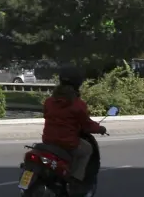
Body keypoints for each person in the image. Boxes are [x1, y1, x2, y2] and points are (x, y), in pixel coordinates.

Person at [41, 66, 106, 196]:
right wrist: (100, 128)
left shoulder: (49, 101)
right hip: (68, 143)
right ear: (78, 83)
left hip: (48, 142)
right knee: (87, 149)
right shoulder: (78, 104)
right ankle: (75, 181)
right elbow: (87, 125)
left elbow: (46, 115)